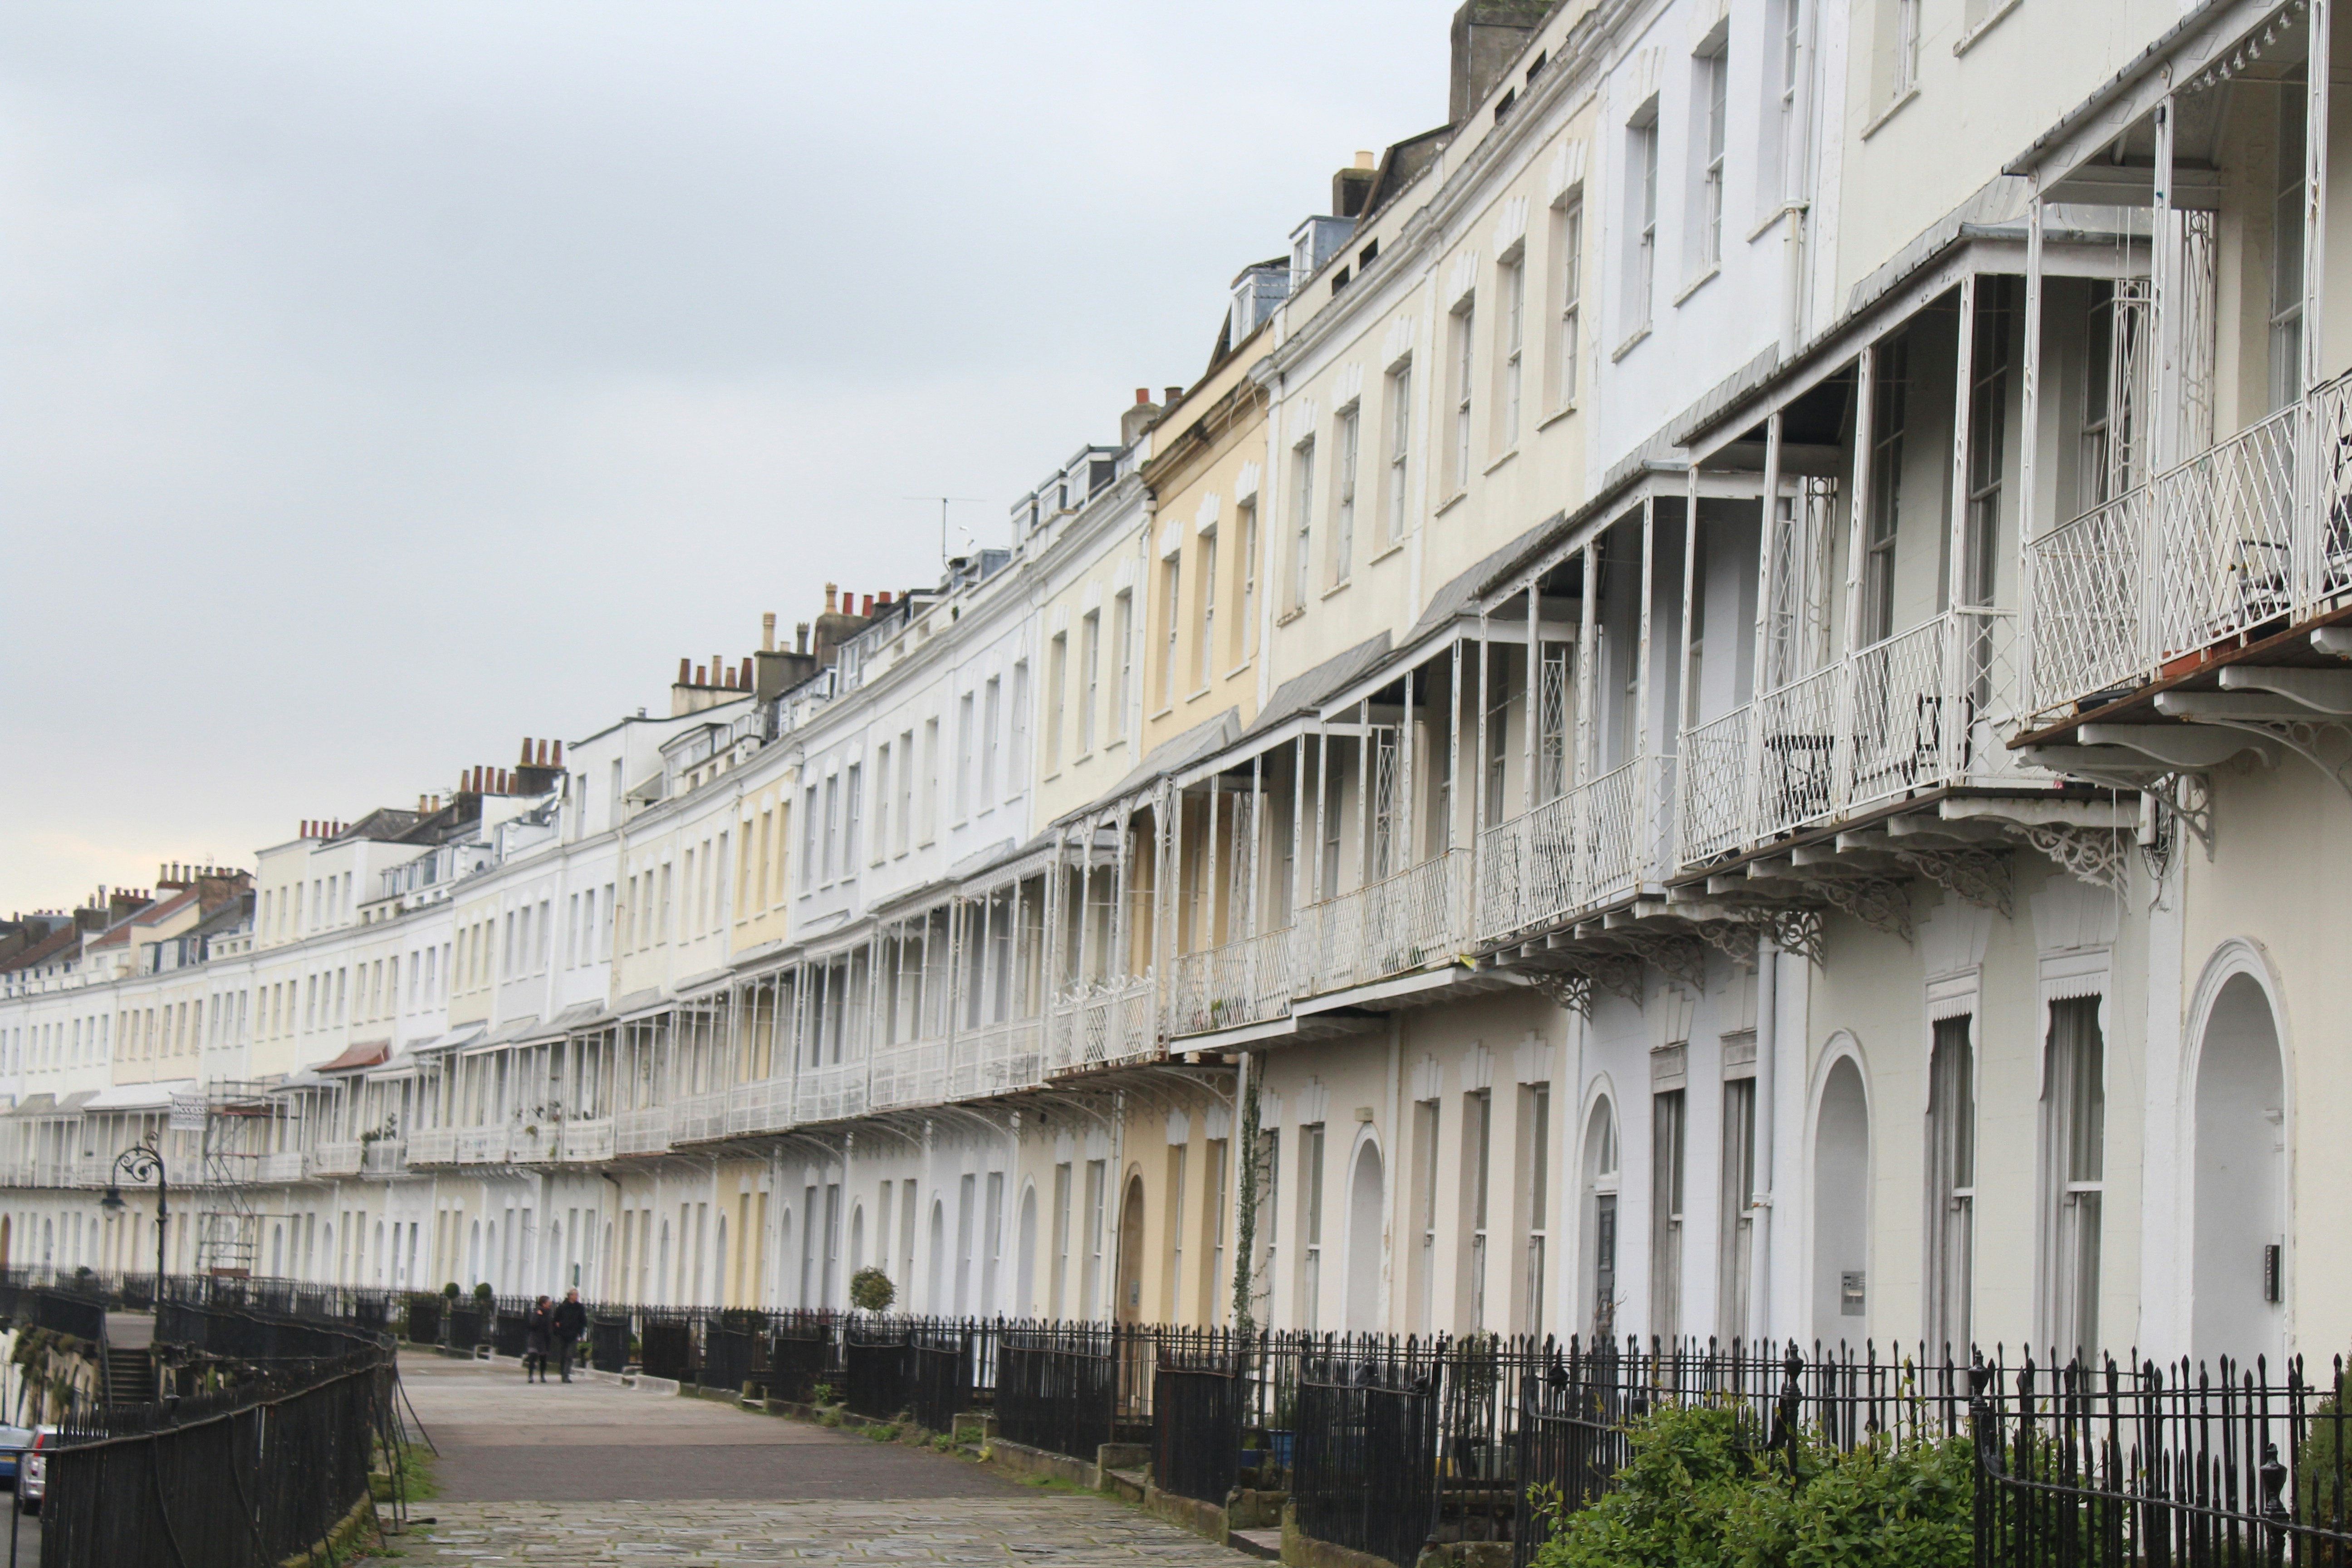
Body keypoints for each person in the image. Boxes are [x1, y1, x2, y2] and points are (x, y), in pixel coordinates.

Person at [551, 1288, 587, 1383]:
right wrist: (558, 1330)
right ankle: (563, 1371)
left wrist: (580, 1332)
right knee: (563, 1354)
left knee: (570, 1355)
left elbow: (583, 1321)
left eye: (577, 1295)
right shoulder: (563, 1307)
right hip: (563, 1334)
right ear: (570, 1296)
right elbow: (556, 1320)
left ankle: (566, 1374)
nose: (577, 1297)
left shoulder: (579, 1307)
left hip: (574, 1334)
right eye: (575, 1295)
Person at [524, 1294, 554, 1383]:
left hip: (544, 1338)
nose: (550, 1304)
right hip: (535, 1338)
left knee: (543, 1358)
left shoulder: (549, 1313)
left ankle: (542, 1376)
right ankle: (530, 1376)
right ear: (543, 1304)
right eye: (549, 1303)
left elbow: (549, 1326)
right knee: (533, 1357)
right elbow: (533, 1325)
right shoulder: (536, 1312)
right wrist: (539, 1316)